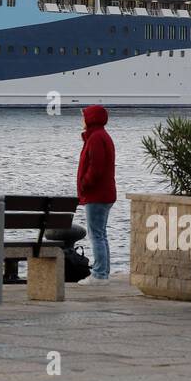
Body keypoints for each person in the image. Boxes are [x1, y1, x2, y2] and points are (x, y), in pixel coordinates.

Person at [76, 105, 117, 283]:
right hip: (104, 193)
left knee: (96, 235)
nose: (81, 120)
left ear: (90, 118)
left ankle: (99, 274)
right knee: (101, 234)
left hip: (97, 194)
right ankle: (104, 272)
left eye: (84, 116)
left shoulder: (95, 138)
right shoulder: (102, 136)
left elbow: (96, 167)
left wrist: (84, 184)